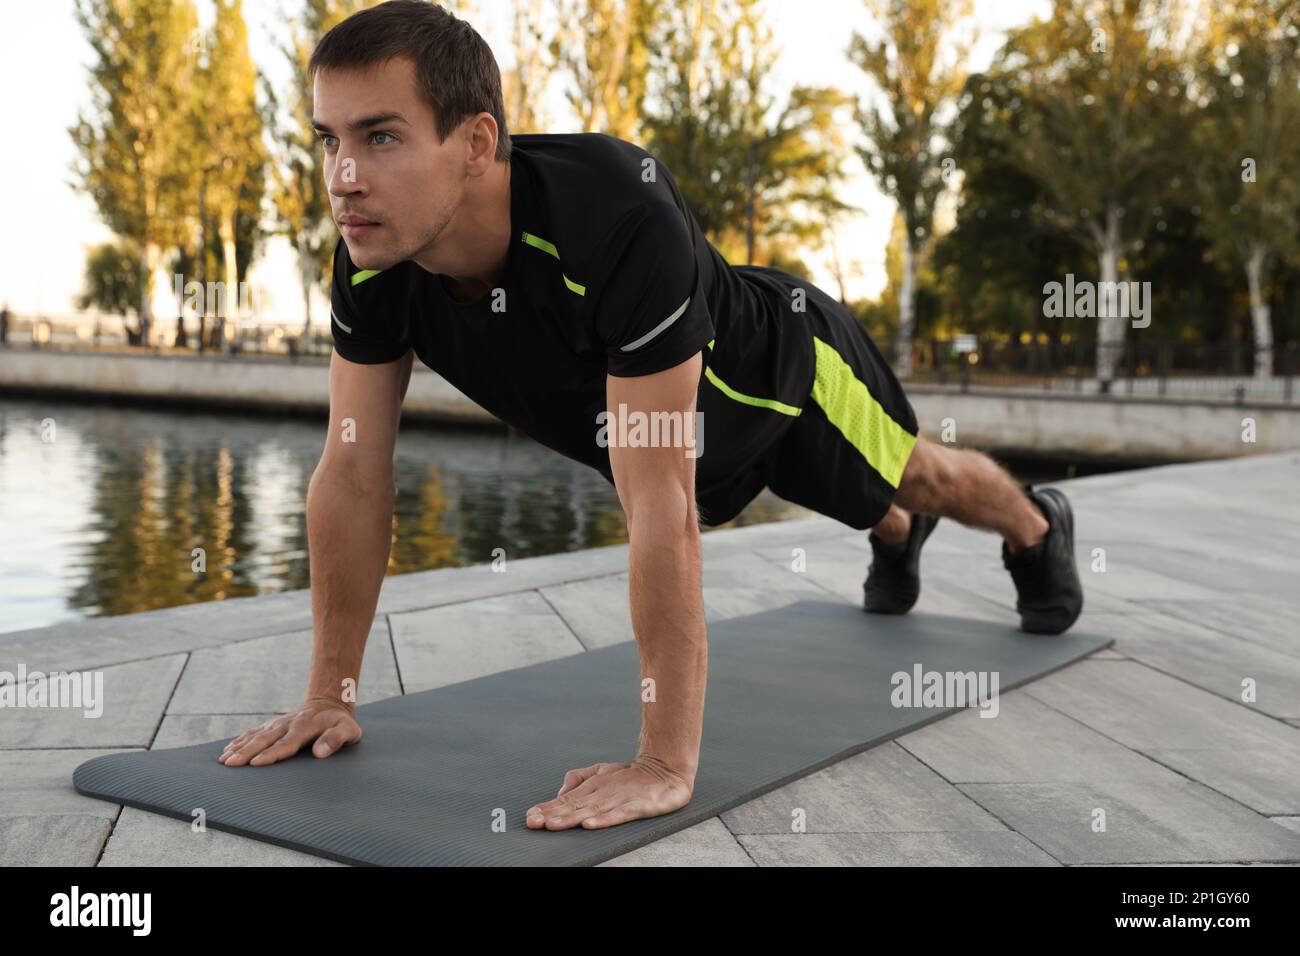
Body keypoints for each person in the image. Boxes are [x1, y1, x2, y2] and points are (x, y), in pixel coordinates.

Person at [218, 0, 1083, 833]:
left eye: (381, 136)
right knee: (851, 499)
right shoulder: (372, 256)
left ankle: (1035, 527)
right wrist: (329, 696)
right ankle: (892, 532)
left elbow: (660, 498)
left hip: (784, 377)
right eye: (329, 139)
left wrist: (663, 764)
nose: (343, 176)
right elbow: (354, 470)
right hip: (674, 440)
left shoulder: (615, 216)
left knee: (914, 472)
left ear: (476, 141)